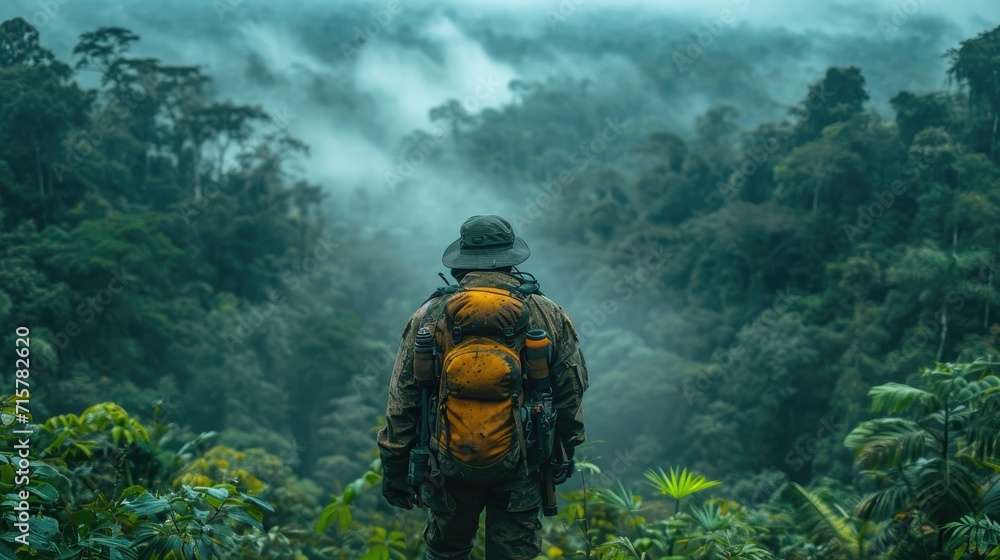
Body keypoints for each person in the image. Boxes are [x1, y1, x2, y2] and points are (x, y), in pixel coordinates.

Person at [376, 215, 589, 559]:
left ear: (462, 261)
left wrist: (396, 472)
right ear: (510, 258)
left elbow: (403, 402)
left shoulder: (430, 316)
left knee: (446, 552)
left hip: (447, 467)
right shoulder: (546, 314)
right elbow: (569, 394)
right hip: (523, 466)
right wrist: (564, 452)